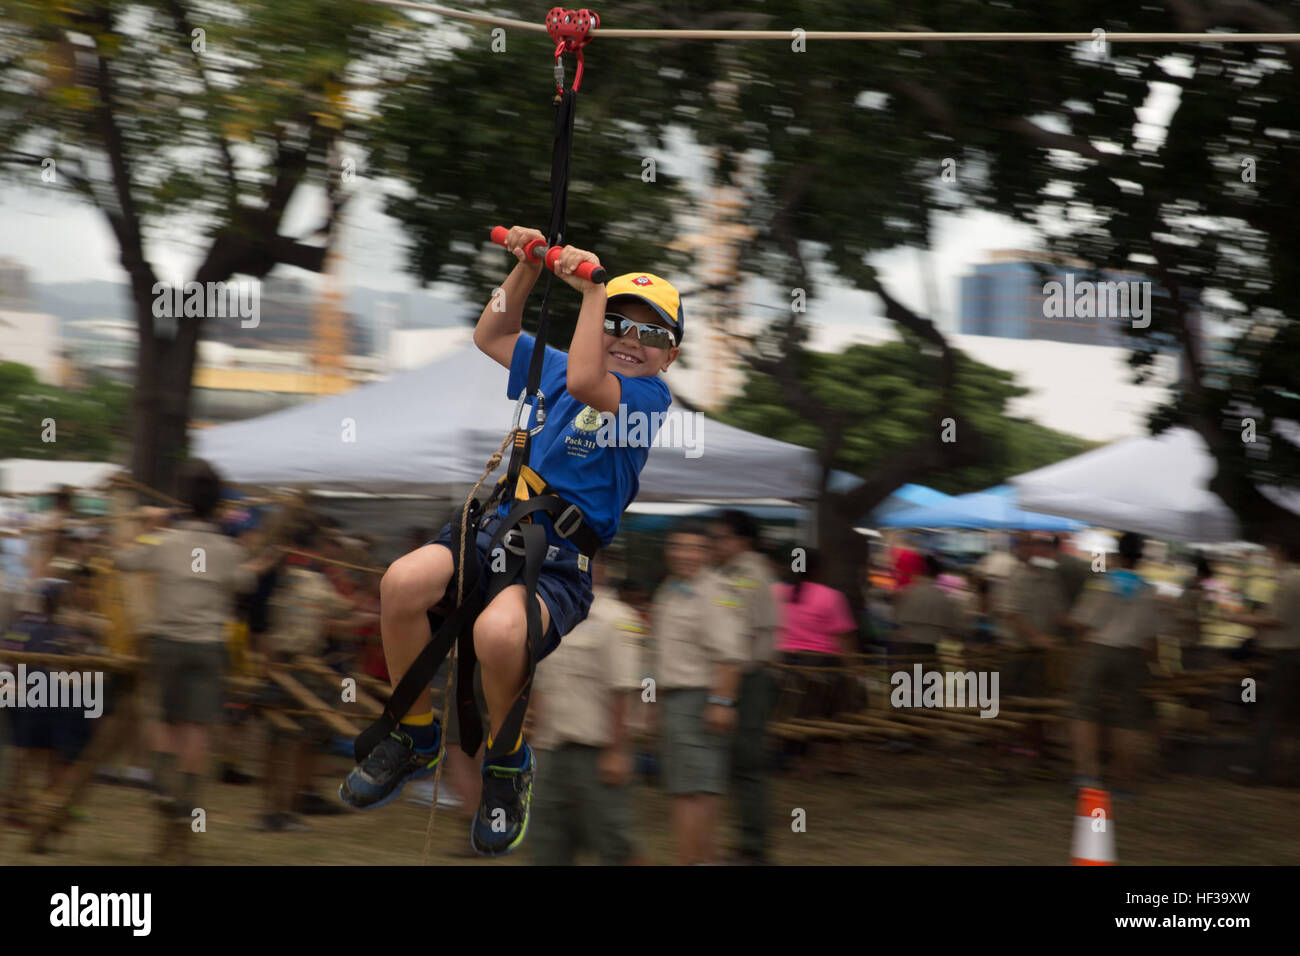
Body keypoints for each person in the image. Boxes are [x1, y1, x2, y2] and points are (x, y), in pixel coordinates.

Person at [337, 228, 683, 858]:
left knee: (499, 635)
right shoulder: (559, 364)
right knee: (401, 583)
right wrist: (527, 266)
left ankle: (507, 762)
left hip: (557, 562)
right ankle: (413, 733)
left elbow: (583, 382)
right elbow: (491, 335)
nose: (632, 342)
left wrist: (592, 292)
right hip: (491, 528)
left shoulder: (648, 397)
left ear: (671, 357)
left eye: (652, 335)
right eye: (619, 326)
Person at [113, 459, 281, 828]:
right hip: (209, 645)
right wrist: (259, 564)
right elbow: (244, 584)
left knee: (158, 714)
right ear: (216, 503)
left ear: (182, 500)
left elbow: (121, 559)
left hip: (167, 641)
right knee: (196, 727)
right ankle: (186, 800)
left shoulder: (164, 541)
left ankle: (160, 782)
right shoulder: (228, 549)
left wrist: (146, 526)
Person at [528, 558, 644, 865]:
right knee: (547, 840)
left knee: (613, 844)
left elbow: (623, 688)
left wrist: (618, 750)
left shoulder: (616, 618)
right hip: (552, 748)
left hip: (595, 753)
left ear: (601, 567)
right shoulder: (549, 614)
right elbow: (538, 680)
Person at [650, 523, 746, 865]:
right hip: (678, 701)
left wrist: (721, 702)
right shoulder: (672, 589)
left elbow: (729, 655)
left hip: (699, 699)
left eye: (694, 548)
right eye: (679, 547)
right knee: (688, 786)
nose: (685, 554)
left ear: (707, 554)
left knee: (693, 789)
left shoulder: (714, 592)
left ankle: (691, 859)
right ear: (669, 551)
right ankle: (703, 858)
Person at [708, 509, 779, 865]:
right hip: (744, 676)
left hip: (747, 678)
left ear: (742, 541)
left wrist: (728, 695)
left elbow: (736, 634)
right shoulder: (738, 572)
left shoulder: (748, 576)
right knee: (738, 765)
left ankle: (753, 847)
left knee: (746, 765)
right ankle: (747, 843)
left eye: (721, 538)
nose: (715, 545)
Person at [1068, 531, 1161, 796]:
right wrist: (1154, 665)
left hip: (1098, 650)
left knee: (1085, 711)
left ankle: (1088, 775)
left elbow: (1083, 624)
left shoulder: (1102, 584)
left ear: (1117, 555)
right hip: (1132, 654)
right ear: (1140, 559)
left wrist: (1078, 652)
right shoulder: (1148, 590)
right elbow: (1151, 636)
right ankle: (1122, 780)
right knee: (1127, 719)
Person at [1231, 542, 1300, 783]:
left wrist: (1241, 618)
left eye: (1271, 552)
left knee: (1267, 713)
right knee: (1289, 715)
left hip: (1283, 657)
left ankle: (1256, 769)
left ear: (1280, 553)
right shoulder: (1292, 580)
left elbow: (1275, 620)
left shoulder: (1287, 581)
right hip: (1281, 656)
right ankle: (1287, 769)